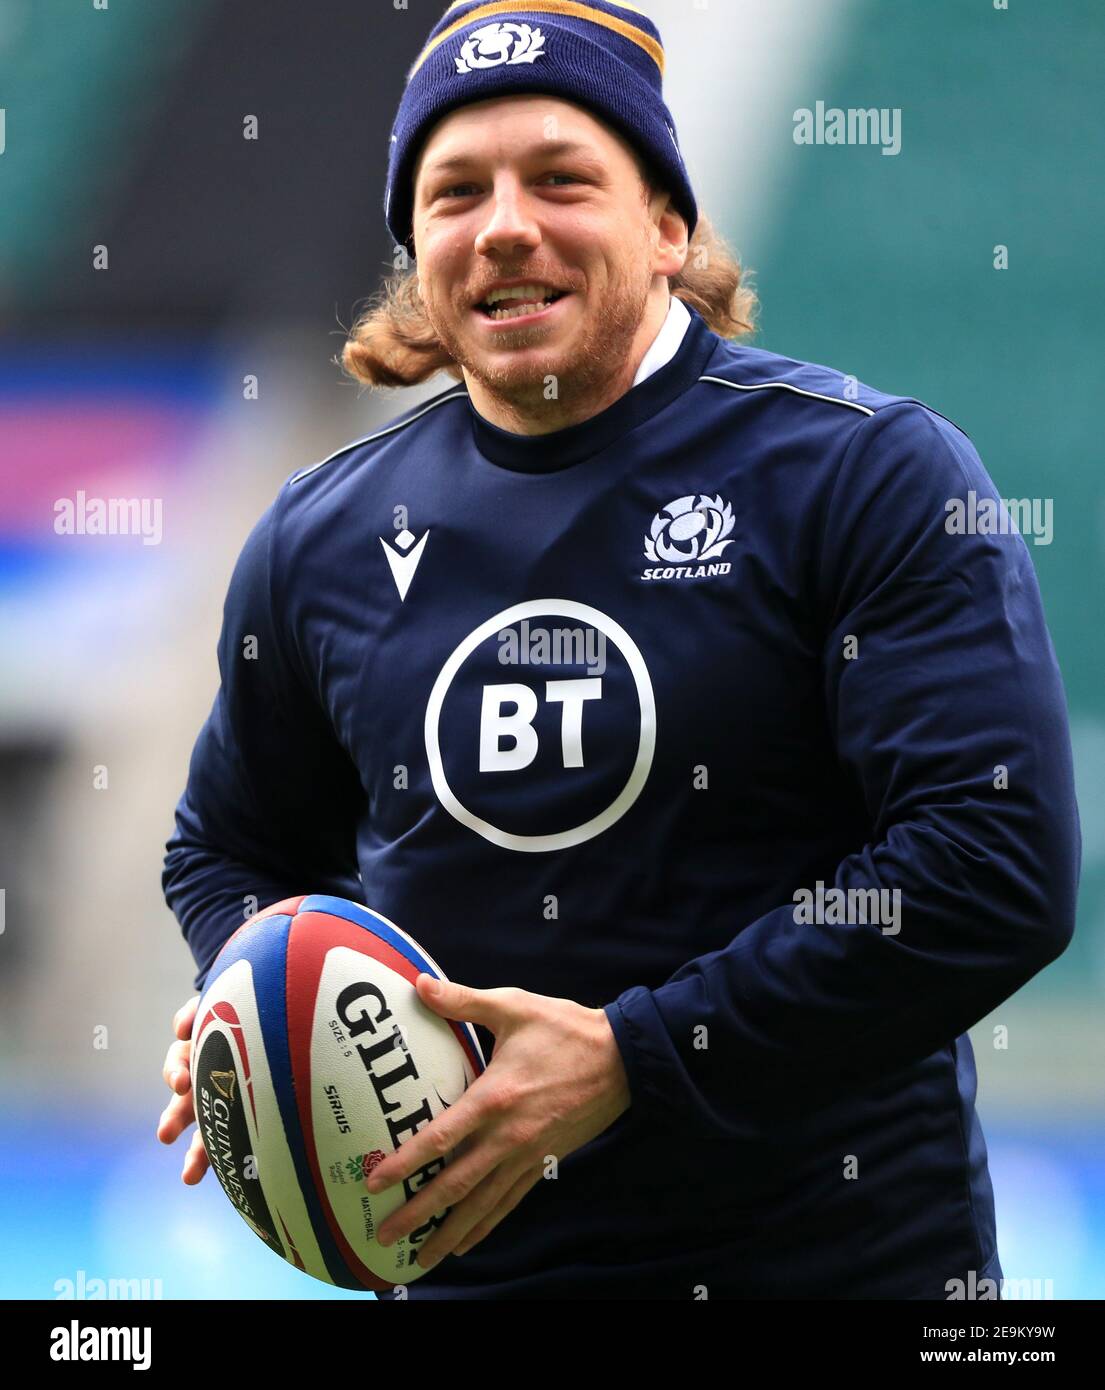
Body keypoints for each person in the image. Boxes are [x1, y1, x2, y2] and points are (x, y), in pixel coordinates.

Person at [159, 0, 1080, 1299]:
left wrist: (642, 1053)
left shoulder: (864, 473)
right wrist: (248, 1002)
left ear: (667, 225)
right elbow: (225, 846)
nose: (505, 224)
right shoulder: (320, 537)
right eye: (455, 191)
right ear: (417, 251)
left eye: (560, 178)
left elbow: (992, 865)